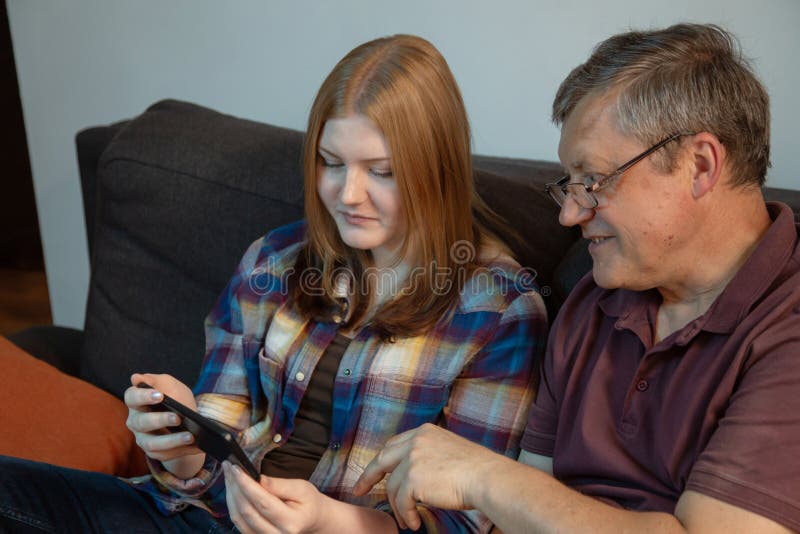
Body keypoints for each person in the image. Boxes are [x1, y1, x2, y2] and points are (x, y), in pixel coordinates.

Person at [0, 35, 546, 533]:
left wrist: (331, 522)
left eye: (381, 171)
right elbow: (219, 439)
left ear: (438, 169)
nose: (347, 195)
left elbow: (466, 522)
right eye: (331, 163)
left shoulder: (498, 310)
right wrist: (183, 449)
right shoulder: (274, 261)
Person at [355, 23, 800, 533]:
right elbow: (518, 518)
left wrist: (483, 476)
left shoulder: (785, 326)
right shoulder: (597, 299)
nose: (569, 215)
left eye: (593, 181)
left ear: (699, 166)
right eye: (570, 184)